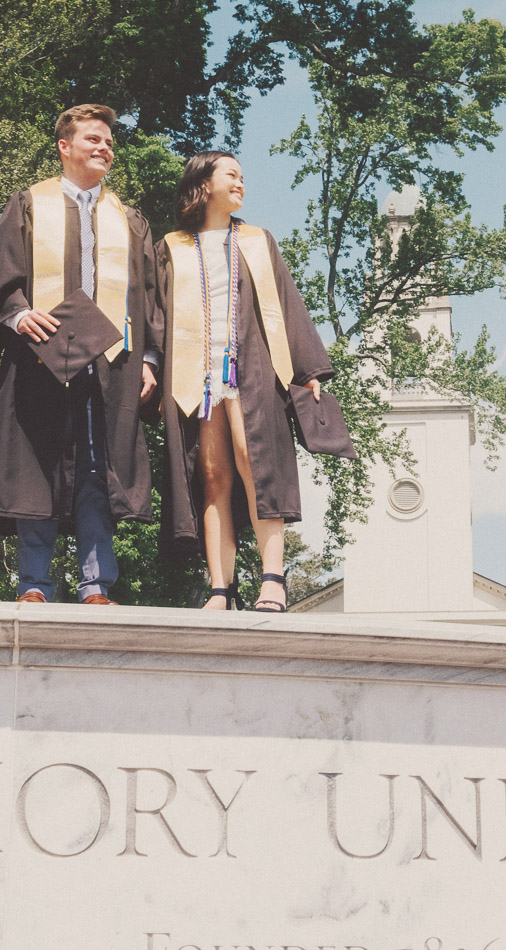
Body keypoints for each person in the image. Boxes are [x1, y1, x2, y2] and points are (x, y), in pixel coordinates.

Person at [0, 104, 162, 605]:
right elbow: (2, 274)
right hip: (40, 355)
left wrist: (149, 358)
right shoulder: (29, 204)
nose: (104, 147)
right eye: (93, 140)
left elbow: (146, 295)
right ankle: (34, 582)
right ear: (65, 147)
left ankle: (95, 584)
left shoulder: (127, 219)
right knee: (35, 460)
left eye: (108, 141)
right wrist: (18, 315)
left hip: (110, 363)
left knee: (95, 466)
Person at [157, 152, 334, 612]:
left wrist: (310, 370)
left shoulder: (257, 241)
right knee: (212, 476)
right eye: (231, 175)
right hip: (196, 374)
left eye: (242, 176)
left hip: (252, 369)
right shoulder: (173, 246)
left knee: (256, 466)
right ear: (204, 183)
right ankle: (221, 586)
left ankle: (273, 580)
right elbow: (156, 315)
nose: (240, 183)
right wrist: (153, 368)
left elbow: (288, 302)